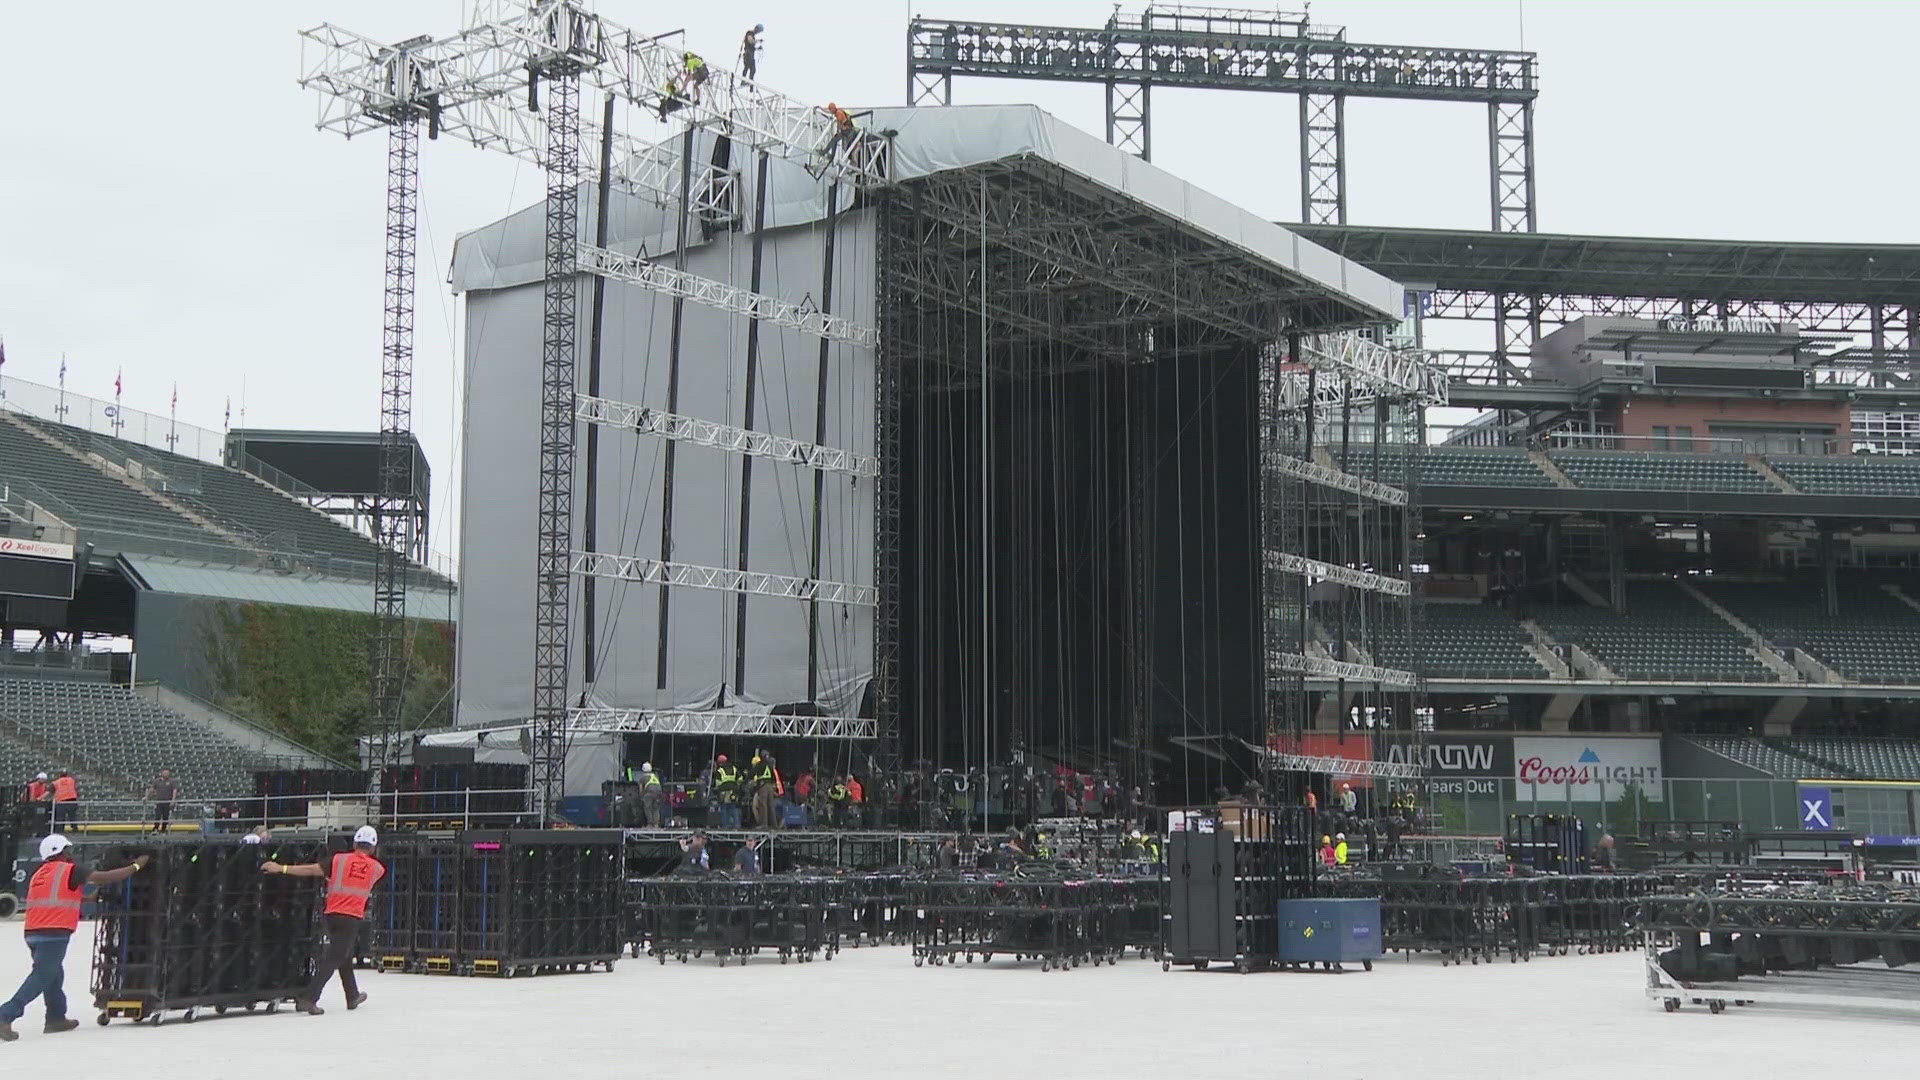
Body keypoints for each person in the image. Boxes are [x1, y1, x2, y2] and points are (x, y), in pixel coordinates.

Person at [0, 836, 148, 1040]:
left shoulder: (40, 873)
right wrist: (135, 867)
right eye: (67, 850)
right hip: (54, 932)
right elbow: (104, 877)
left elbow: (57, 897)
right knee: (42, 976)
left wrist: (88, 898)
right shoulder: (70, 869)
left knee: (53, 974)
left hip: (34, 932)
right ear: (59, 852)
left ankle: (56, 1017)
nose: (70, 854)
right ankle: (6, 1014)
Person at [262, 825, 385, 1015]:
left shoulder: (338, 860)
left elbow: (312, 870)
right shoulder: (378, 868)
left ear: (354, 843)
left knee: (344, 953)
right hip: (351, 917)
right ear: (374, 847)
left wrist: (281, 868)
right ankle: (309, 998)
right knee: (335, 956)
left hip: (332, 914)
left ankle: (352, 995)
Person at [750, 752, 784, 830]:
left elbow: (751, 774)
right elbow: (773, 777)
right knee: (771, 806)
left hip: (763, 786)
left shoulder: (760, 765)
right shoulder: (770, 766)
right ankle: (774, 825)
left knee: (763, 805)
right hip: (770, 786)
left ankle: (764, 824)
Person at [712, 755, 741, 829]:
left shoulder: (720, 771)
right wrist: (736, 785)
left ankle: (725, 826)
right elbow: (740, 779)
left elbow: (717, 783)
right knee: (734, 807)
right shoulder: (734, 769)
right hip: (733, 791)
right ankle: (737, 825)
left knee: (724, 808)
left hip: (723, 792)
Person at [145, 768, 178, 834]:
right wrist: (147, 797)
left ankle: (163, 829)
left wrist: (173, 800)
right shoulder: (157, 781)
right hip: (159, 802)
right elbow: (152, 789)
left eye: (167, 773)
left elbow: (175, 790)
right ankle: (156, 829)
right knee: (158, 816)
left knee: (165, 816)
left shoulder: (171, 782)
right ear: (162, 773)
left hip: (167, 802)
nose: (166, 774)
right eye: (165, 773)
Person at [637, 762, 664, 829]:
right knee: (656, 809)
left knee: (648, 808)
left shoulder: (642, 778)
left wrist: (641, 796)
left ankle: (650, 824)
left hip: (649, 793)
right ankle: (656, 824)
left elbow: (641, 789)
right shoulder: (655, 776)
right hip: (659, 793)